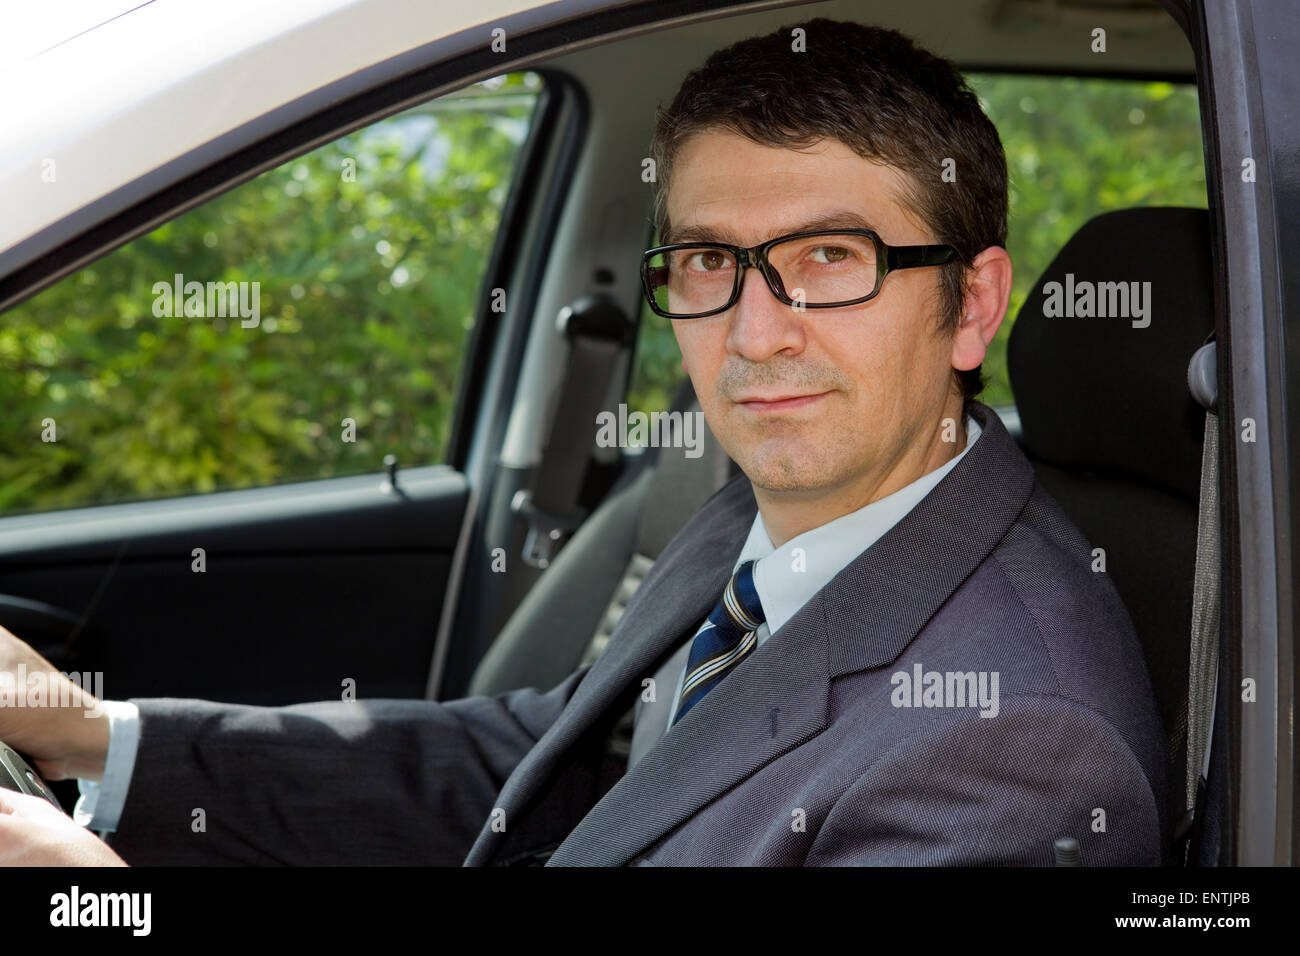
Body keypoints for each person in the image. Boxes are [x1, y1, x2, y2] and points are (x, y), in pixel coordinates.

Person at [0, 18, 1166, 866]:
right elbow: (543, 768)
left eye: (829, 257)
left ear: (970, 305)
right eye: (708, 261)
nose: (756, 333)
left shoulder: (1013, 747)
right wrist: (96, 735)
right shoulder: (759, 511)